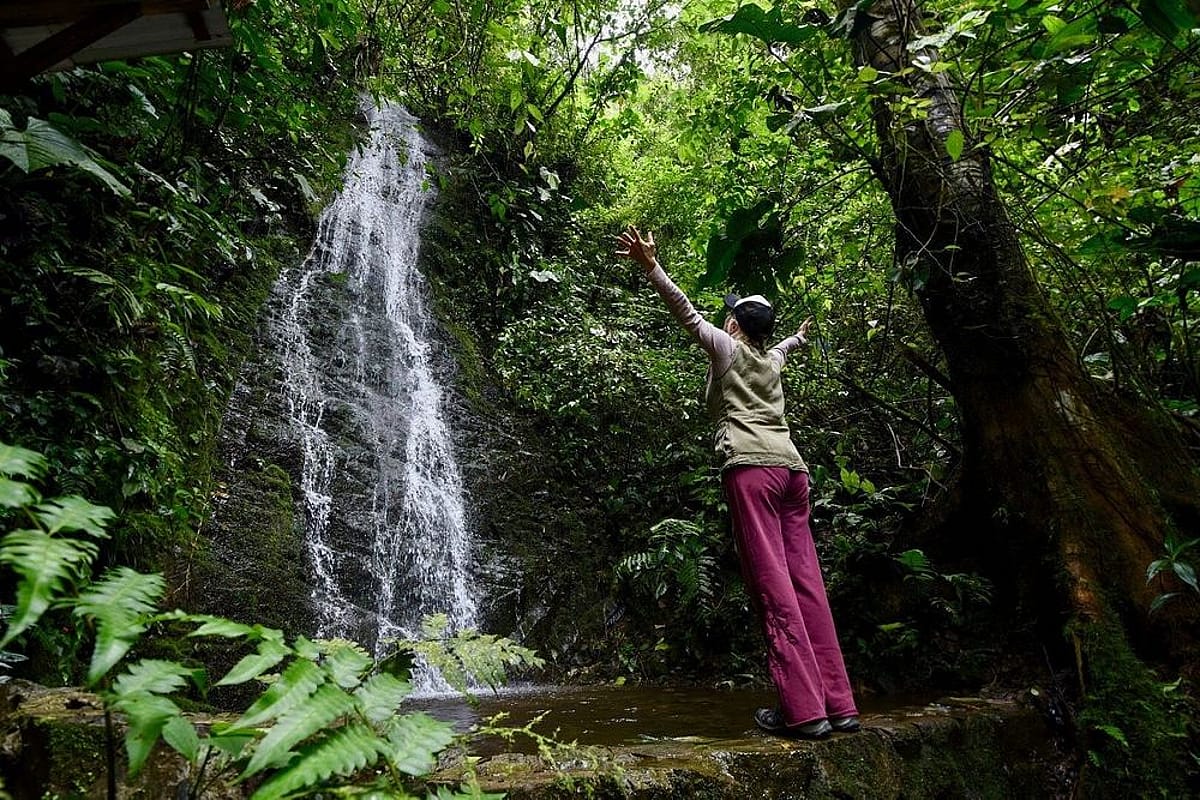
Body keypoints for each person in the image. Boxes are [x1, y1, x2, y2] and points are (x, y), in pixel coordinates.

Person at [615, 224, 859, 739]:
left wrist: (650, 266)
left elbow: (684, 310)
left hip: (751, 472)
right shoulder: (772, 358)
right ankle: (840, 704)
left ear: (733, 322)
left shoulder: (726, 348)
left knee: (773, 587)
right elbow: (786, 347)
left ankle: (803, 711)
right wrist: (800, 336)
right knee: (808, 584)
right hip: (794, 474)